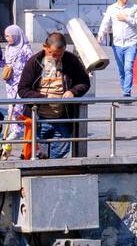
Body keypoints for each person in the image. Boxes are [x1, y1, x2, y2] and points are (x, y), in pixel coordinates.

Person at [17, 32, 90, 160]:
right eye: (52, 54)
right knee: (38, 154)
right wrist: (43, 99)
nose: (56, 58)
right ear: (45, 47)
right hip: (39, 118)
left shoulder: (71, 60)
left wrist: (73, 91)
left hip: (62, 117)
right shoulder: (34, 62)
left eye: (60, 55)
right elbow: (23, 89)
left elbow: (84, 82)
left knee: (60, 152)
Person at [97, 0, 137, 97]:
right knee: (121, 70)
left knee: (128, 67)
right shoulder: (111, 8)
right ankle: (124, 88)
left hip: (131, 43)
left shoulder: (134, 7)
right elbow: (105, 22)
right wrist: (101, 34)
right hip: (117, 44)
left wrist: (127, 18)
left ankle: (127, 92)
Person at [2, 25, 32, 158]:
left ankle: (12, 135)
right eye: (5, 36)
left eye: (8, 35)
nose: (6, 38)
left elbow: (31, 66)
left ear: (15, 35)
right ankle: (12, 136)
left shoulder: (25, 49)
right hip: (10, 84)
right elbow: (4, 63)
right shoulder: (8, 48)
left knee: (16, 111)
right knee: (11, 110)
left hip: (21, 85)